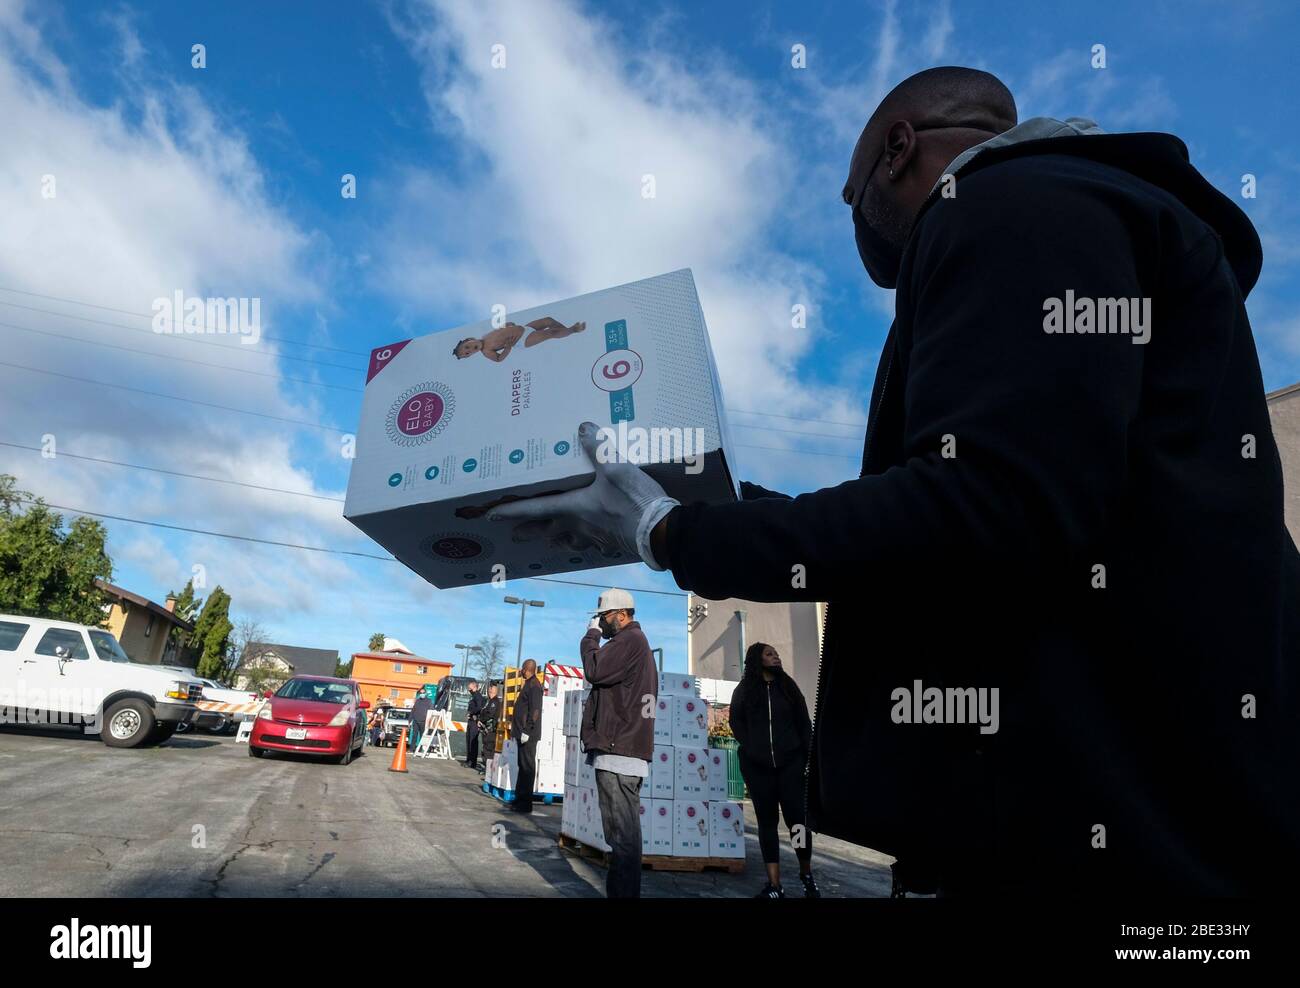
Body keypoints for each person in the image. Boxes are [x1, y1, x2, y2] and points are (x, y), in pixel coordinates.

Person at [486, 66, 1300, 896]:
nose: (857, 223)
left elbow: (986, 509)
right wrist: (704, 504)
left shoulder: (1008, 206)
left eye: (849, 197)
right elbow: (981, 501)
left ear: (899, 148)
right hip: (1146, 823)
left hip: (1097, 844)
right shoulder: (1090, 216)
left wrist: (668, 532)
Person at [578, 588, 656, 898]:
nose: (601, 623)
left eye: (604, 618)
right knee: (622, 835)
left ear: (621, 615)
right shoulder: (634, 644)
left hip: (618, 751)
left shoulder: (629, 640)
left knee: (622, 837)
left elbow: (594, 669)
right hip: (621, 750)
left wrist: (590, 637)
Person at [729, 643, 817, 899]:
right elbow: (736, 722)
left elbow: (804, 722)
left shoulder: (788, 687)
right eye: (769, 654)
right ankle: (774, 885)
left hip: (791, 766)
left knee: (798, 824)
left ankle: (806, 874)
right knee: (767, 824)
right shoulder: (744, 690)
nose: (776, 656)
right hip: (759, 769)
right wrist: (752, 749)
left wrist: (804, 757)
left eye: (776, 654)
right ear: (757, 659)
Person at [509, 661, 543, 813]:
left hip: (528, 734)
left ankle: (525, 804)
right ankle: (519, 799)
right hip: (521, 732)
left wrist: (527, 731)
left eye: (522, 669)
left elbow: (535, 710)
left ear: (526, 669)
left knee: (527, 767)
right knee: (522, 766)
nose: (521, 671)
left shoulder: (534, 685)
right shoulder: (529, 684)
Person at [476, 683, 502, 773]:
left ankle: (488, 769)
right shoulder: (489, 701)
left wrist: (481, 720)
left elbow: (489, 714)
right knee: (486, 747)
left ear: (495, 691)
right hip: (487, 729)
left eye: (491, 689)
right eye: (489, 689)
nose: (489, 691)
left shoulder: (494, 702)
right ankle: (486, 767)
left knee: (489, 748)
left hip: (491, 730)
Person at [465, 680, 485, 769]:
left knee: (472, 742)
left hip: (474, 721)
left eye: (470, 688)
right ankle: (468, 759)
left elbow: (479, 707)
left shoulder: (477, 696)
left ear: (474, 687)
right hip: (471, 721)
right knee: (469, 741)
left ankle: (472, 762)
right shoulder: (473, 696)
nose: (469, 689)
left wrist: (472, 713)